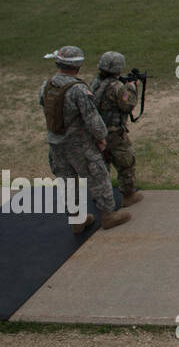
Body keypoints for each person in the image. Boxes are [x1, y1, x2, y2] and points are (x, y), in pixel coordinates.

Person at [39, 46, 132, 232]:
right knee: (99, 177)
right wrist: (101, 138)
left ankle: (76, 220)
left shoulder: (47, 85)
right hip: (80, 145)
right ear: (78, 66)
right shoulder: (78, 89)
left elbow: (45, 107)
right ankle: (108, 216)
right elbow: (92, 119)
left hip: (56, 145)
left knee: (67, 182)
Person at [90, 51, 143, 206]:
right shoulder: (118, 87)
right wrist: (132, 88)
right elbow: (127, 105)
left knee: (101, 166)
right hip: (114, 134)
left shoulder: (95, 83)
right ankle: (128, 195)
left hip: (96, 131)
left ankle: (100, 196)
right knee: (126, 163)